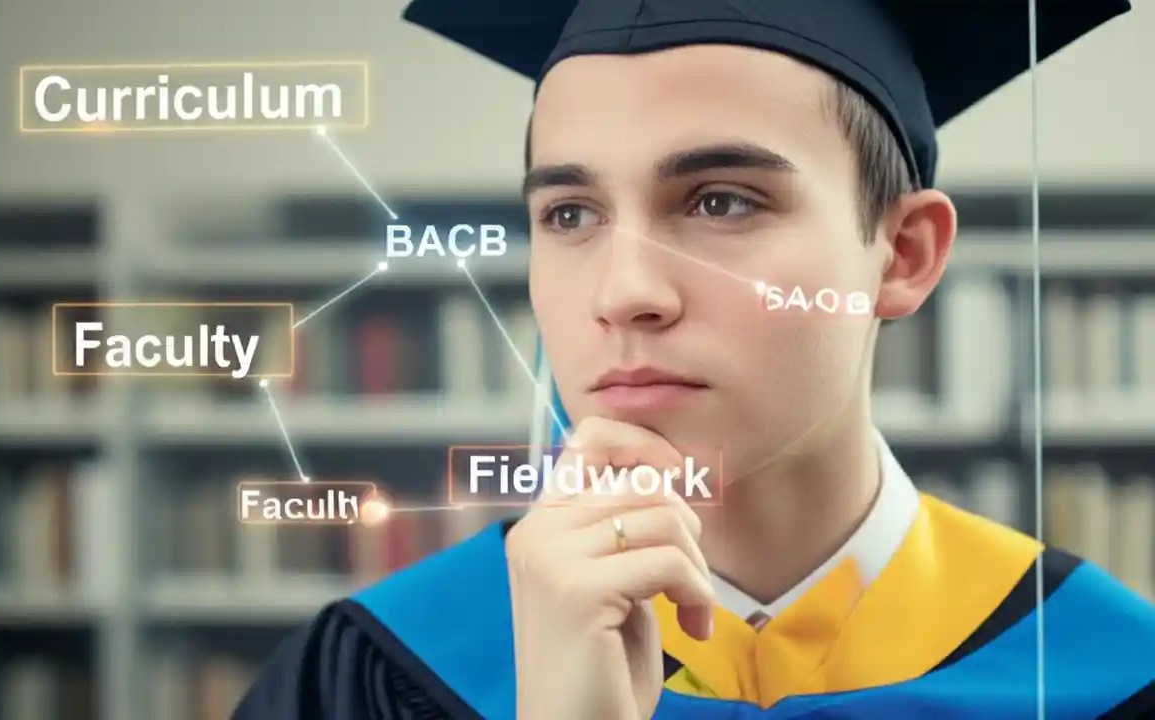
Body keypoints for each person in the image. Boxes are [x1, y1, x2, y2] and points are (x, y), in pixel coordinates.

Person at [234, 0, 1155, 717]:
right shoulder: (372, 672)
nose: (625, 290)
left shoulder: (1106, 672)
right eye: (571, 215)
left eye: (720, 202)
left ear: (902, 254)